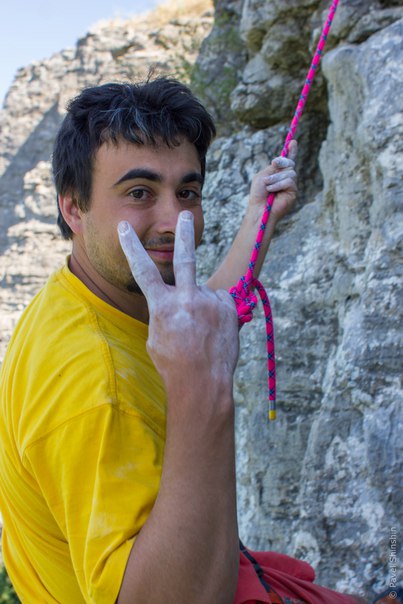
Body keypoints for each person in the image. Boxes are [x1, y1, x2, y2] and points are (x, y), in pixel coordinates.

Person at [0, 77, 366, 603]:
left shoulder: (87, 299)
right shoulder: (94, 385)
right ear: (73, 208)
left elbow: (204, 313)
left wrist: (257, 218)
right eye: (140, 193)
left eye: (187, 193)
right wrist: (203, 385)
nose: (176, 222)